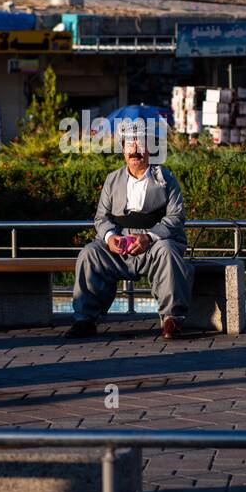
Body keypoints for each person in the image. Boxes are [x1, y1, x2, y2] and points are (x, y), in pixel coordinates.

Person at [67, 132, 194, 340]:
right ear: (123, 151)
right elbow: (101, 217)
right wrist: (109, 237)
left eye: (140, 145)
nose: (135, 151)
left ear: (150, 150)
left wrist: (149, 238)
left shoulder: (166, 177)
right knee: (90, 253)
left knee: (168, 252)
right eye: (129, 146)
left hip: (154, 242)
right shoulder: (112, 179)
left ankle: (172, 319)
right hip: (119, 243)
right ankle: (85, 320)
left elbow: (176, 217)